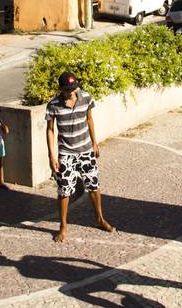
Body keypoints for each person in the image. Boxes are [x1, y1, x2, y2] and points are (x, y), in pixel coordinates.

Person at [45, 71, 116, 242]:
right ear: (61, 89)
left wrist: (94, 142)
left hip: (85, 150)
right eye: (67, 89)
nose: (71, 92)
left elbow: (89, 119)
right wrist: (51, 155)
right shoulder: (53, 105)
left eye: (73, 88)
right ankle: (63, 227)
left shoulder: (86, 97)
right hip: (66, 154)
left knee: (94, 186)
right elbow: (50, 129)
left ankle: (99, 218)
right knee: (64, 191)